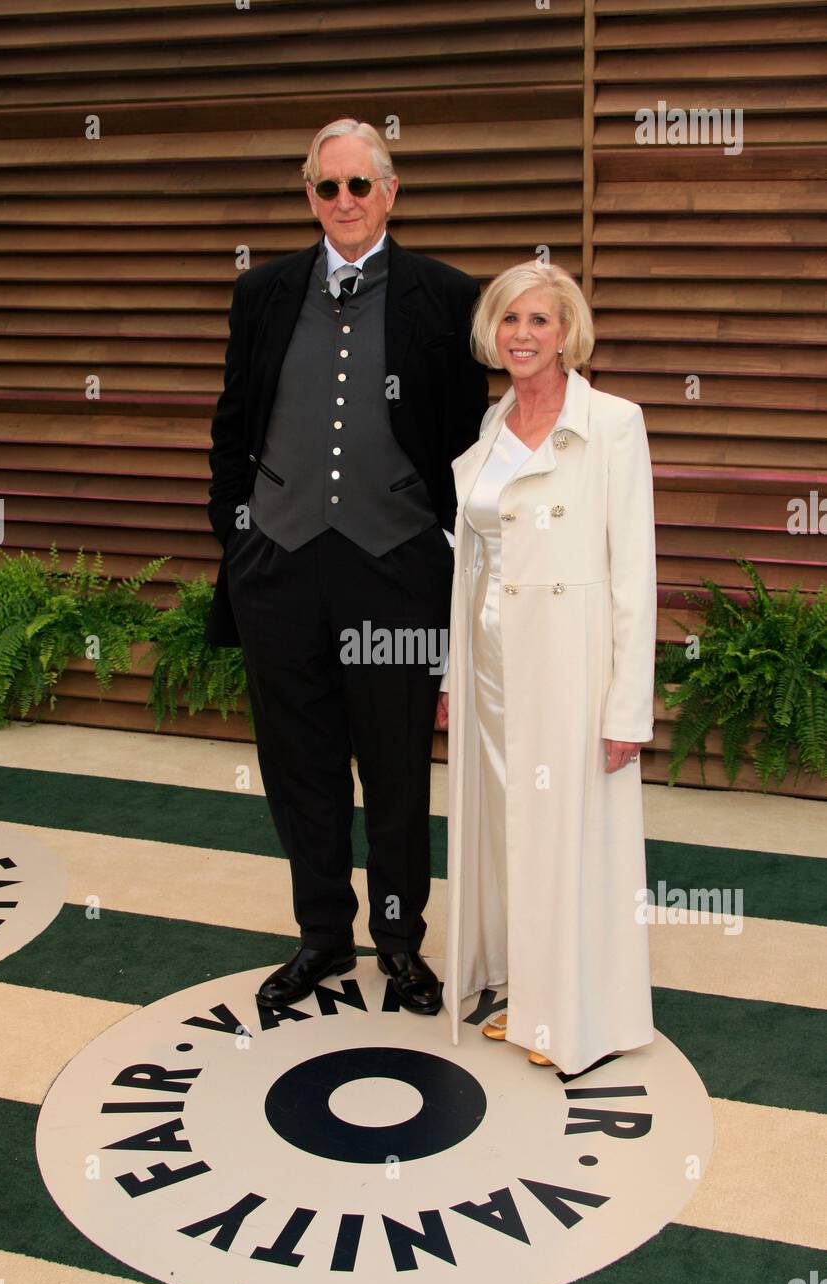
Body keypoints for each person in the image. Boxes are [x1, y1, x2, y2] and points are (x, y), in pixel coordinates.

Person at [204, 117, 488, 1013]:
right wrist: (240, 540)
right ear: (310, 196)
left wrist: (440, 550)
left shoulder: (445, 297)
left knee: (397, 769)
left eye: (359, 185)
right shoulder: (264, 292)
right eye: (327, 188)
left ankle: (399, 942)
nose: (344, 202)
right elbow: (232, 425)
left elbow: (465, 442)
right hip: (279, 571)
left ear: (391, 192)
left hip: (393, 572)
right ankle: (322, 937)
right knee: (300, 767)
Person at [438, 261, 656, 1074]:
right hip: (493, 660)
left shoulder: (614, 424)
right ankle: (519, 985)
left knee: (566, 837)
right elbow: (473, 565)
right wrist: (456, 678)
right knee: (507, 828)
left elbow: (636, 571)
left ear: (567, 333)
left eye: (539, 320)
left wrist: (627, 707)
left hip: (570, 664)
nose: (522, 335)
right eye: (508, 320)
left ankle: (572, 1016)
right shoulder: (490, 428)